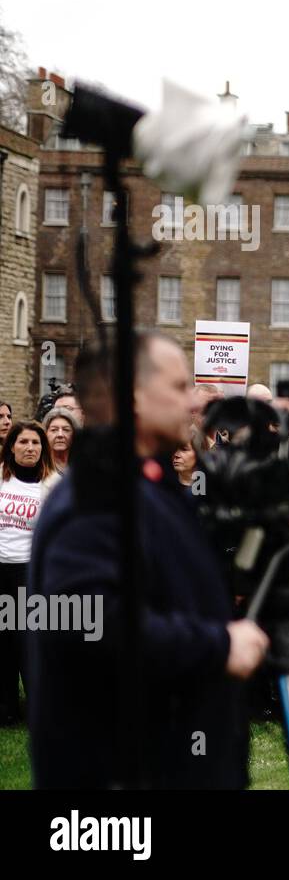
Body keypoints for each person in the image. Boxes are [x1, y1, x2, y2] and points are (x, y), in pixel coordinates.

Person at [28, 333, 269, 787]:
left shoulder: (147, 484)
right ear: (135, 398)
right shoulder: (94, 499)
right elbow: (91, 623)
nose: (193, 402)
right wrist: (218, 645)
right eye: (179, 388)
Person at [0, 422, 59, 725]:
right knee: (3, 644)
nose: (30, 448)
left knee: (27, 643)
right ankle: (6, 708)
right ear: (11, 446)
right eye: (23, 442)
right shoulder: (1, 478)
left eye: (36, 443)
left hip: (29, 573)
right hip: (1, 569)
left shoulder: (50, 485)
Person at [42, 407, 79, 475]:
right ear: (45, 433)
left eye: (66, 430)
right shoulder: (38, 466)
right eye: (54, 430)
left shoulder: (84, 464)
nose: (60, 435)